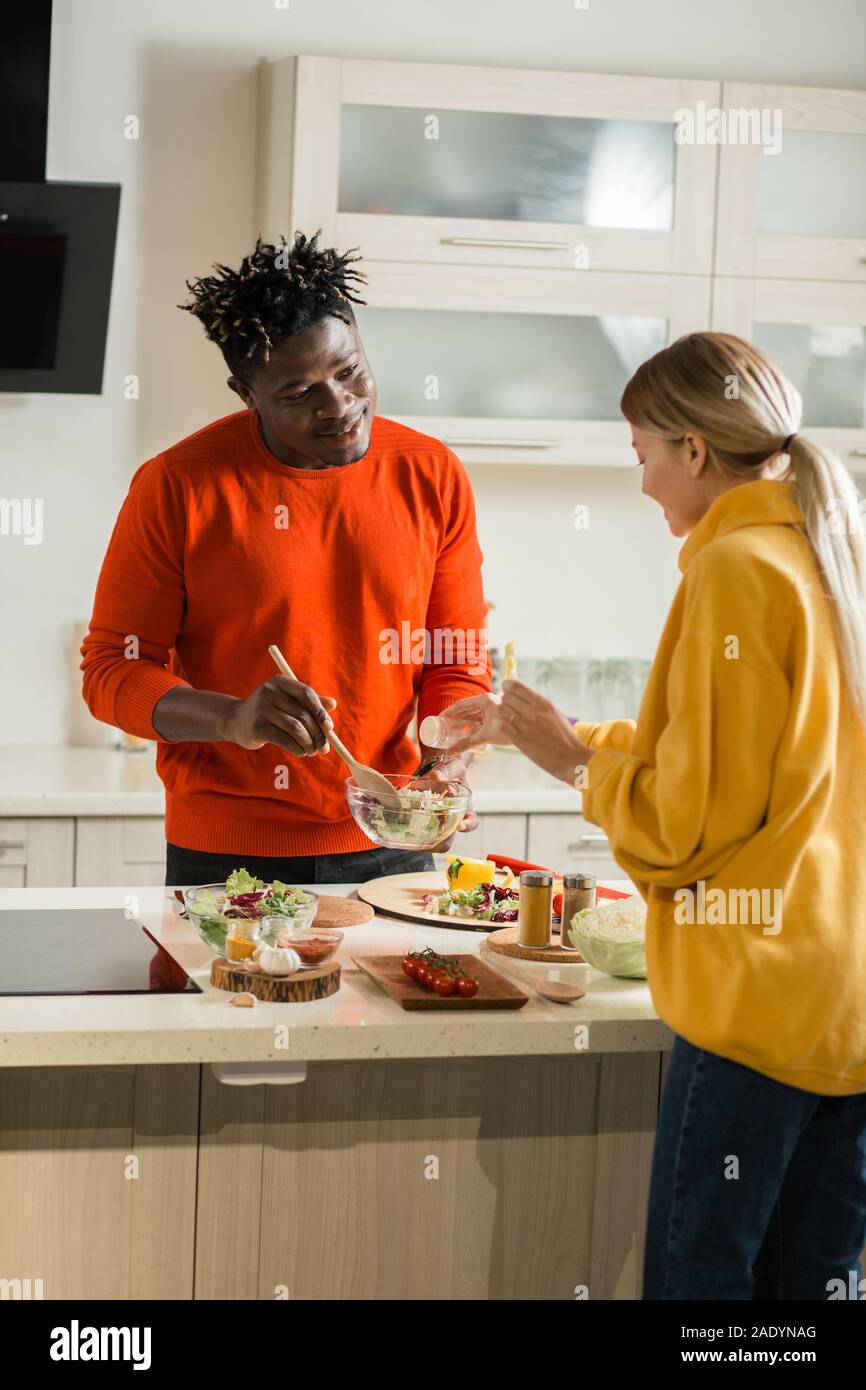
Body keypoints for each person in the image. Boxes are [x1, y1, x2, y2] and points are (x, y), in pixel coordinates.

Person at [450, 332, 866, 1300]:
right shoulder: (827, 551)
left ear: (688, 448)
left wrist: (573, 765)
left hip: (757, 998)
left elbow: (688, 823)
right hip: (841, 989)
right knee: (810, 1287)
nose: (639, 486)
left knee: (704, 1290)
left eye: (639, 455)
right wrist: (554, 734)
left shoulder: (733, 568)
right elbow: (763, 755)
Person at [81, 232, 488, 886]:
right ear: (245, 393)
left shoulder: (429, 473)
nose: (341, 407)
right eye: (300, 394)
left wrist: (446, 763)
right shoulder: (178, 485)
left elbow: (454, 652)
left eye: (350, 371)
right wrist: (234, 719)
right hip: (226, 854)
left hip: (395, 838)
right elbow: (111, 671)